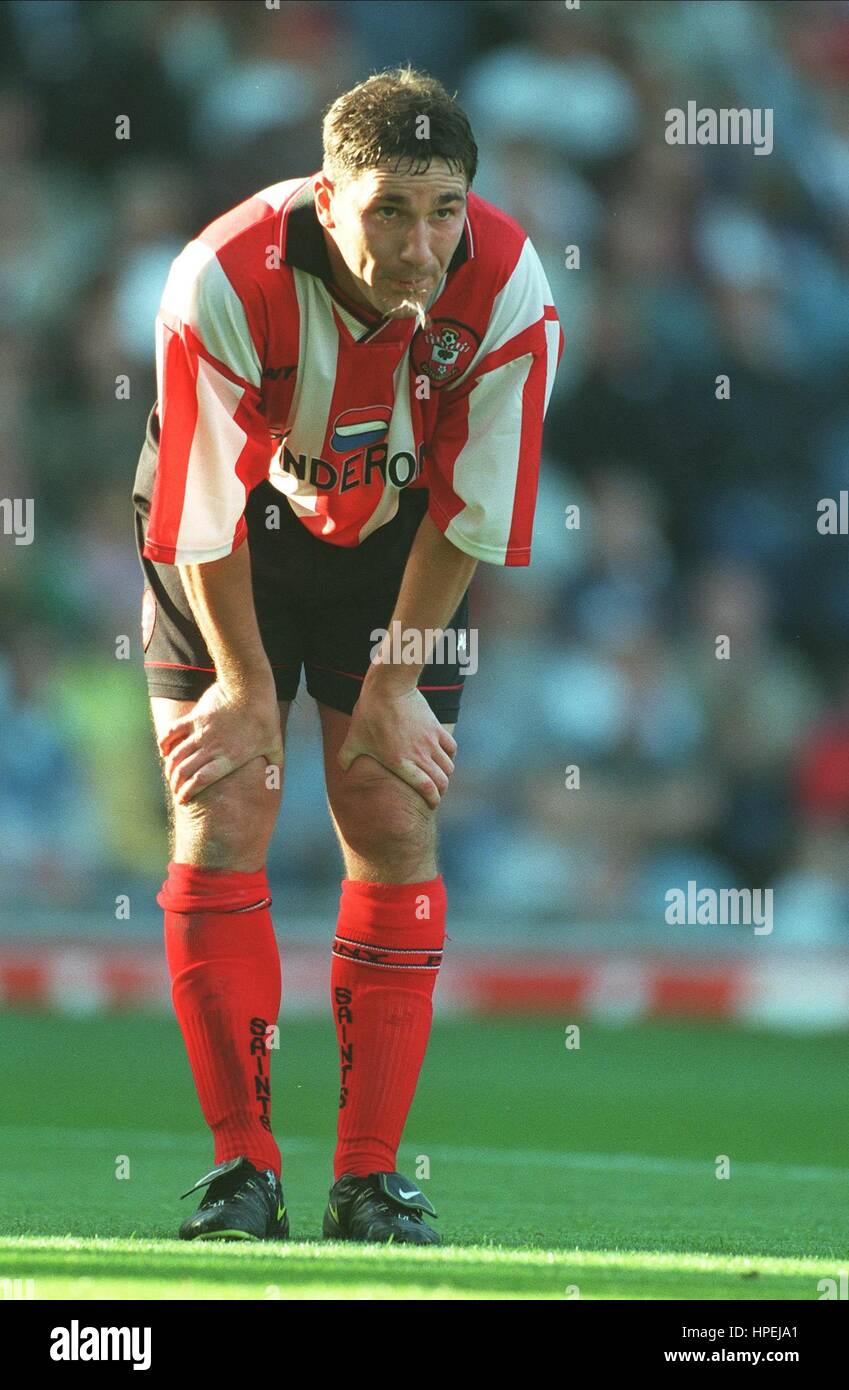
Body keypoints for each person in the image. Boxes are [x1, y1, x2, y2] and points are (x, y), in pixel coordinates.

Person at [132, 65, 563, 1245]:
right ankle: (242, 1172)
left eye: (443, 210)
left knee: (387, 802)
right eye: (390, 210)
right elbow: (202, 507)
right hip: (238, 541)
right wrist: (242, 684)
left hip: (403, 547)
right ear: (328, 199)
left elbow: (470, 512)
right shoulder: (222, 277)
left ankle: (368, 1180)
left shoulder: (510, 288)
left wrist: (393, 680)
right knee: (224, 795)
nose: (420, 246)